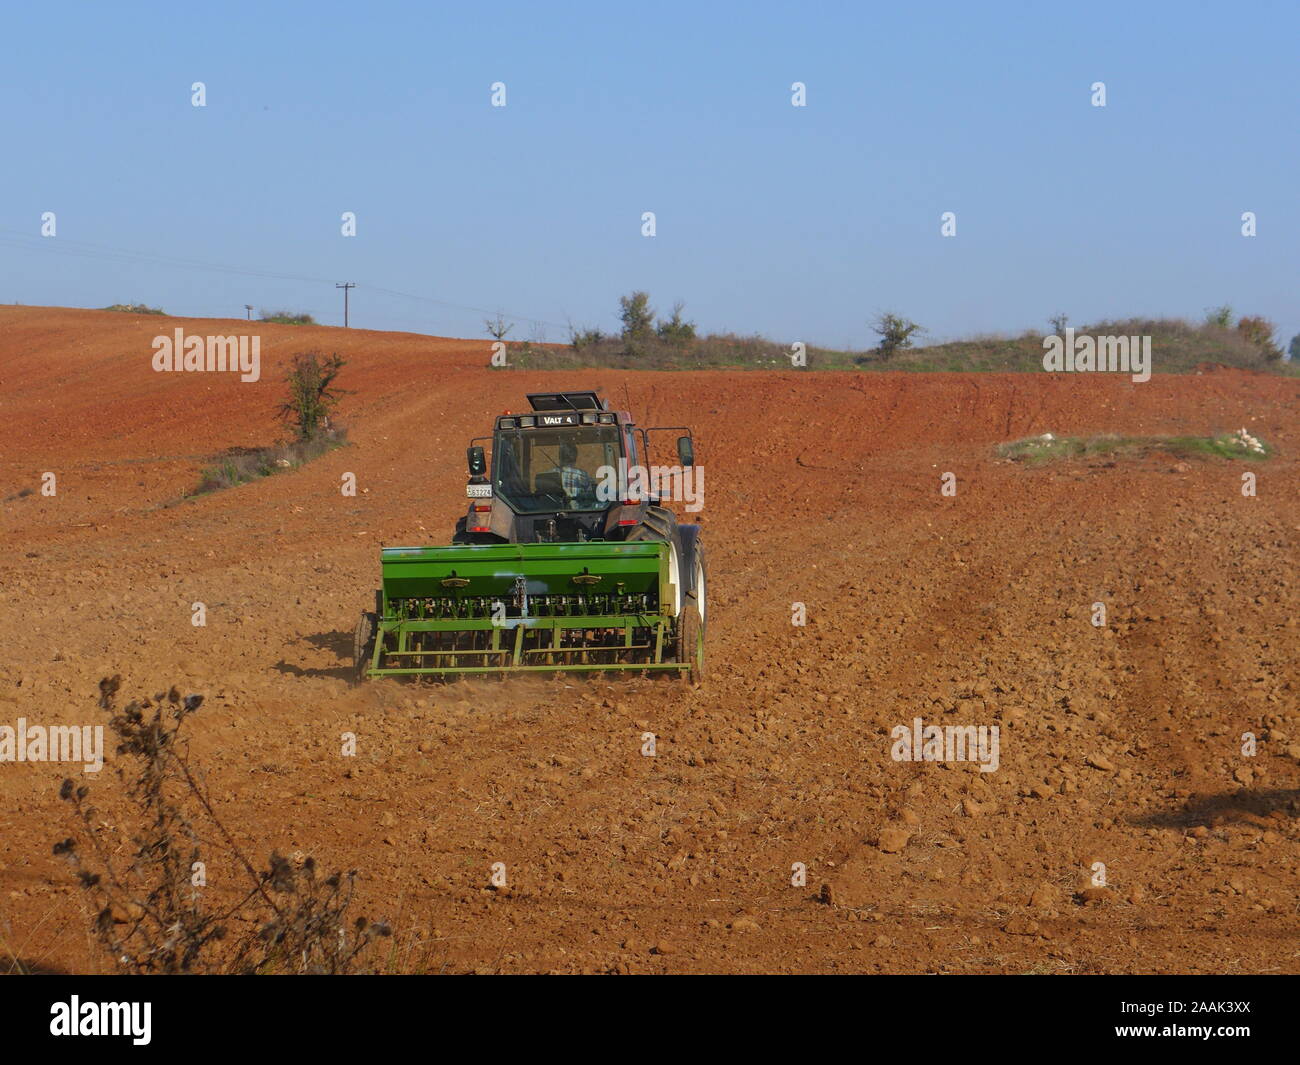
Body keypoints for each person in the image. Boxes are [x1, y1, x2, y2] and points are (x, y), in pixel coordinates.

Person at [542, 440, 596, 507]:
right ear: (575, 457)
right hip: (579, 514)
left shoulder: (546, 475)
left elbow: (542, 498)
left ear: (559, 456)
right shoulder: (583, 476)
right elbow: (591, 499)